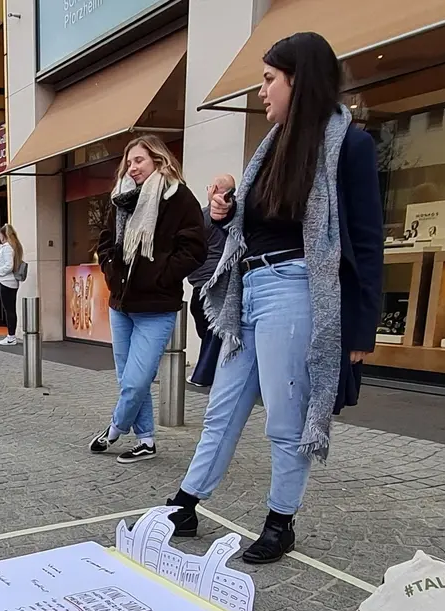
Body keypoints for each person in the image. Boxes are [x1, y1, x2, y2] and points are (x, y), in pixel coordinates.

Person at [164, 33, 383, 564]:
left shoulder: (348, 145)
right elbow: (258, 225)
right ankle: (187, 503)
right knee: (223, 406)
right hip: (251, 288)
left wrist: (360, 330)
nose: (261, 90)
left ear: (298, 79)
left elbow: (367, 238)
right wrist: (227, 209)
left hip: (297, 289)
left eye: (268, 79)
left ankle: (281, 521)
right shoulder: (272, 147)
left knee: (284, 418)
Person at [89, 135, 206, 464]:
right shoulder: (120, 198)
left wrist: (161, 275)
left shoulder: (177, 197)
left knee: (137, 380)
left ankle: (115, 428)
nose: (132, 166)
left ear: (158, 159)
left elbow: (195, 249)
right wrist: (111, 272)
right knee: (128, 380)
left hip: (156, 307)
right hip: (122, 304)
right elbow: (106, 242)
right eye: (129, 161)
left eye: (139, 160)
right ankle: (146, 440)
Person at [187, 175, 235, 388]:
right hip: (227, 282)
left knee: (208, 328)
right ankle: (212, 371)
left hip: (204, 284)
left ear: (214, 188)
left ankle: (204, 374)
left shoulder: (202, 217)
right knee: (215, 329)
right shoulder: (237, 217)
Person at [0, 225, 23, 346]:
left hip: (6, 281)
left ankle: (11, 336)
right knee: (11, 309)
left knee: (8, 309)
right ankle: (11, 335)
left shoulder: (6, 248)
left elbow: (8, 265)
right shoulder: (14, 247)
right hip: (12, 282)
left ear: (3, 235)